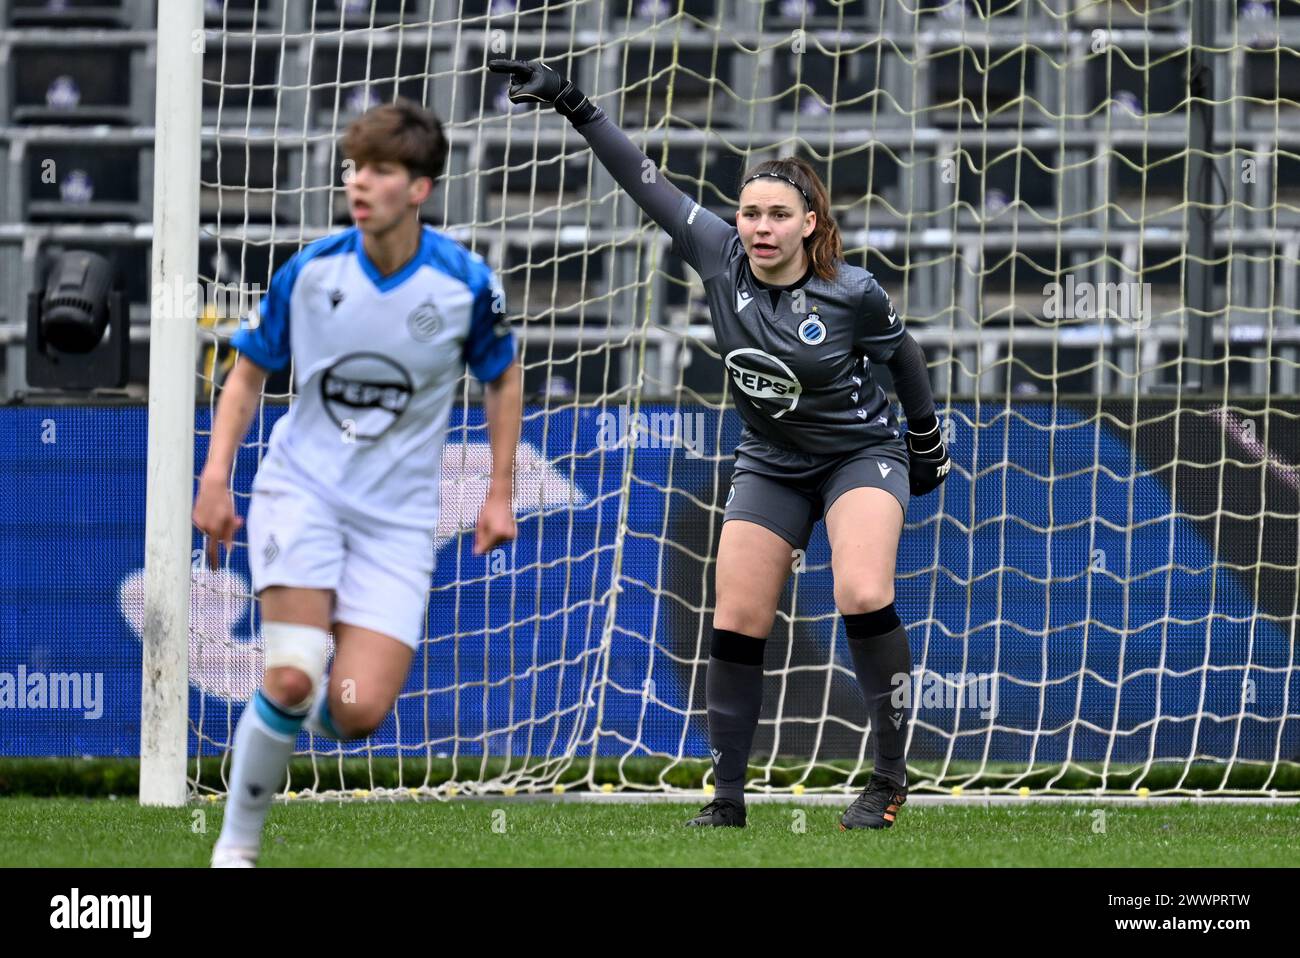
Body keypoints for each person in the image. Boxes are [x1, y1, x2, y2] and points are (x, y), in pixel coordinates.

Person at [488, 59, 949, 830]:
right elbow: (643, 179)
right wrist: (574, 103)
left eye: (776, 214)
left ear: (809, 223)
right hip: (769, 459)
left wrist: (926, 437)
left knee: (863, 593)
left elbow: (902, 355)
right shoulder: (716, 252)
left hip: (858, 456)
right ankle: (728, 799)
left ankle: (889, 778)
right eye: (749, 213)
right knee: (737, 616)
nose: (759, 228)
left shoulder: (852, 292)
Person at [192, 99, 521, 865]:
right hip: (300, 493)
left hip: (399, 520)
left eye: (379, 169)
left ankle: (288, 715)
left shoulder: (463, 283)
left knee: (357, 711)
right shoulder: (311, 272)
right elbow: (246, 377)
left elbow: (503, 381)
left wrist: (500, 488)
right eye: (353, 168)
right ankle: (236, 850)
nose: (359, 183)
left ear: (420, 189)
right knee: (292, 671)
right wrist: (216, 478)